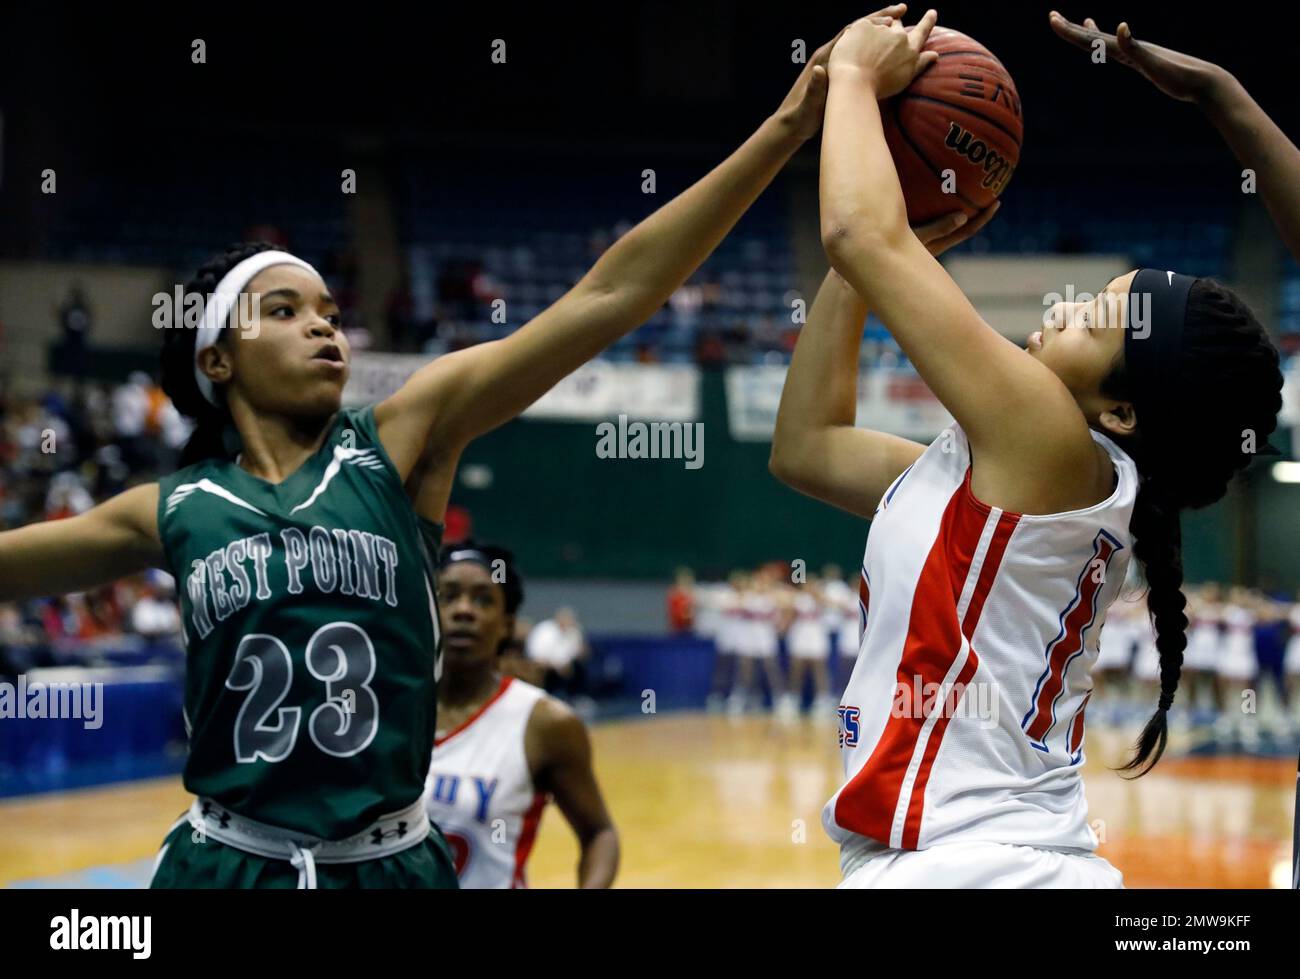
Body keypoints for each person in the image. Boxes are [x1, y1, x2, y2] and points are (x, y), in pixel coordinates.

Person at [0, 26, 842, 887]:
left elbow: (612, 293)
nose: (323, 323)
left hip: (390, 862)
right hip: (226, 862)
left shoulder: (397, 439)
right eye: (285, 311)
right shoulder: (172, 506)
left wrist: (783, 129)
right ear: (217, 357)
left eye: (328, 308)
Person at [769, 7, 1284, 887]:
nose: (1064, 307)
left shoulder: (1048, 442)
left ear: (1121, 410)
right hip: (985, 863)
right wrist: (883, 256)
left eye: (1094, 316)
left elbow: (857, 228)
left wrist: (852, 80)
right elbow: (807, 446)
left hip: (973, 866)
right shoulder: (1009, 481)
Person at [423, 540, 618, 888]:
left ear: (507, 625)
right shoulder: (386, 707)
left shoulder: (545, 723)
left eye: (483, 599)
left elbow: (599, 833)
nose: (463, 610)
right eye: (447, 596)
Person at [525, 607, 589, 704]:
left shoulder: (573, 631)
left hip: (564, 668)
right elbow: (536, 656)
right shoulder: (544, 630)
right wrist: (556, 666)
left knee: (579, 668)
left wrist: (579, 653)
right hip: (545, 666)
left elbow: (577, 652)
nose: (568, 624)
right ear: (558, 619)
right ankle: (546, 700)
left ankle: (576, 699)